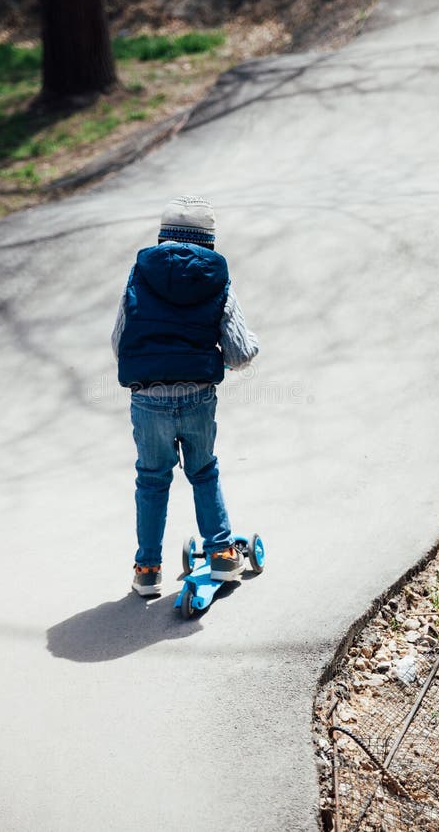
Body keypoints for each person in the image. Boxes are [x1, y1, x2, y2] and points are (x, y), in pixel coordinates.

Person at [111, 195, 259, 596]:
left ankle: (147, 568)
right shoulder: (217, 280)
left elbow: (119, 340)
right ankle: (222, 554)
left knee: (152, 479)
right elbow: (240, 351)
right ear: (209, 242)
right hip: (197, 394)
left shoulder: (138, 277)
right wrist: (230, 359)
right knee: (203, 470)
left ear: (162, 237)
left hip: (147, 398)